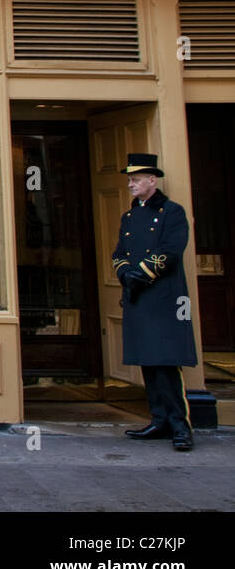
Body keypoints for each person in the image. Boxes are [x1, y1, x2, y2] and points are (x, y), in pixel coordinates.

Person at [113, 154, 197, 451]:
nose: (131, 184)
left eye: (135, 179)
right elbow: (119, 252)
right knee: (148, 361)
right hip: (137, 295)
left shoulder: (172, 212)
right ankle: (159, 419)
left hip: (162, 296)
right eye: (130, 180)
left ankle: (179, 424)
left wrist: (143, 273)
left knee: (165, 362)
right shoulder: (129, 216)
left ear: (152, 180)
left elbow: (171, 250)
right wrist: (126, 274)